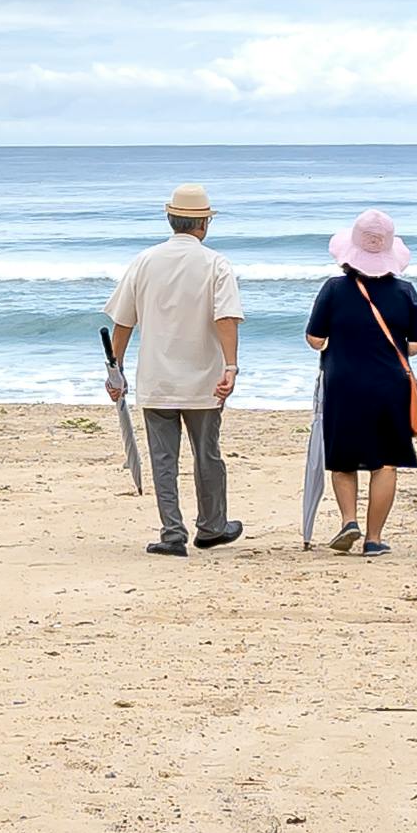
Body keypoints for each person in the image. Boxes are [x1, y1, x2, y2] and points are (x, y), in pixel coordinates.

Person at [107, 182, 246, 555]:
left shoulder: (145, 261)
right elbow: (226, 319)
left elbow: (123, 322)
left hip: (157, 377)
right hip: (205, 379)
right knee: (208, 455)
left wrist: (114, 368)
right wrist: (231, 366)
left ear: (171, 219)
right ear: (204, 225)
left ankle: (172, 533)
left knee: (163, 460)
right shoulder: (216, 264)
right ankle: (212, 525)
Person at [304, 211, 417, 554]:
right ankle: (373, 540)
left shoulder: (333, 289)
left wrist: (340, 343)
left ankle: (349, 521)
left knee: (343, 459)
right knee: (385, 461)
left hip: (343, 382)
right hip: (389, 383)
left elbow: (314, 338)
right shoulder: (405, 291)